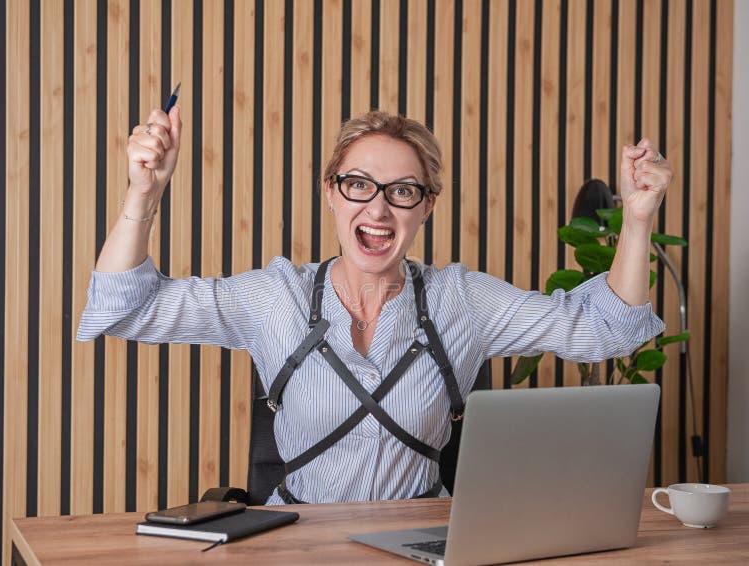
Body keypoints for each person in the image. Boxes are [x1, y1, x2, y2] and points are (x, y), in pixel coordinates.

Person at [78, 107, 671, 505]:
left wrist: (638, 221)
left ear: (426, 207)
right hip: (299, 546)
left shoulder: (461, 301)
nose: (379, 209)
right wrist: (144, 192)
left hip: (423, 545)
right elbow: (128, 307)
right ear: (331, 192)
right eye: (359, 184)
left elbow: (604, 330)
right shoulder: (274, 298)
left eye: (403, 191)